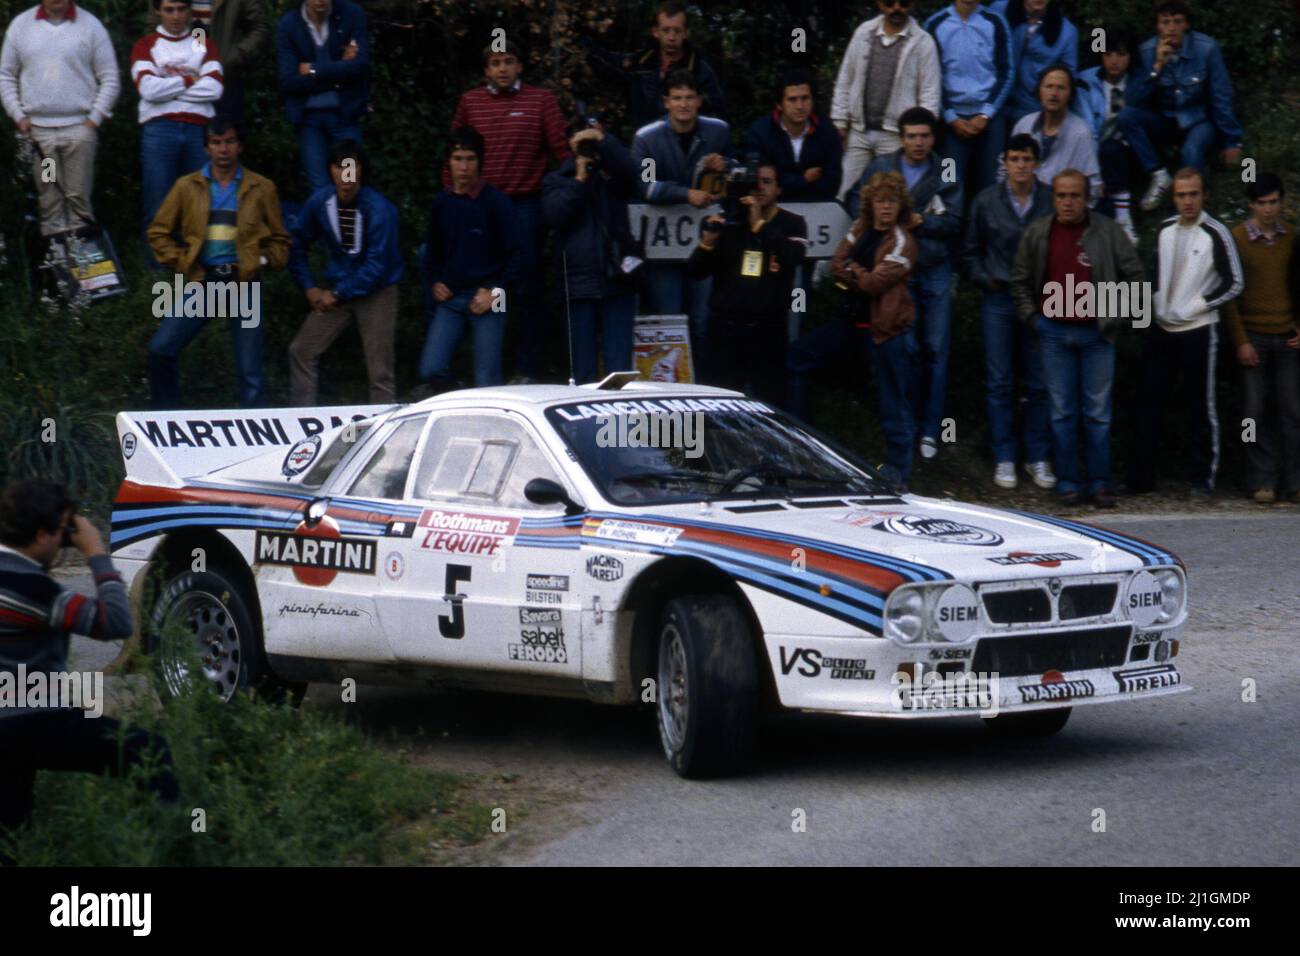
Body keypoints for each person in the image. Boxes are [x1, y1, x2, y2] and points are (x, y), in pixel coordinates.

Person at [0, 480, 179, 860]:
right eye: (66, 530)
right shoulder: (33, 589)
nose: (69, 540)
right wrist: (97, 552)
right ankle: (165, 852)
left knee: (11, 833)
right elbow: (115, 622)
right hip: (31, 721)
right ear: (43, 534)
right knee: (149, 752)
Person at [1011, 169, 1144, 507]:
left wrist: (1113, 315)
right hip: (1053, 332)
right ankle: (1068, 482)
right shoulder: (1039, 232)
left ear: (1087, 198)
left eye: (1074, 196)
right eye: (1061, 195)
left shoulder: (1109, 231)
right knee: (1062, 412)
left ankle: (1100, 483)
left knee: (1098, 413)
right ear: (1053, 197)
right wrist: (1034, 318)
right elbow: (1020, 280)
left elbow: (1135, 274)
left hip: (1096, 334)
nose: (1068, 202)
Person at [146, 117, 291, 409]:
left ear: (240, 146)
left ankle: (256, 439)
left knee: (250, 371)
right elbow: (157, 232)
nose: (223, 149)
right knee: (160, 348)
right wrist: (184, 261)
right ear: (206, 148)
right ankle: (168, 420)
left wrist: (259, 260)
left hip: (244, 283)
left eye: (229, 142)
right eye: (216, 143)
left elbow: (281, 241)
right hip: (205, 280)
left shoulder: (261, 187)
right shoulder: (187, 187)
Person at [788, 172, 919, 490]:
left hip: (885, 330)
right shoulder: (859, 228)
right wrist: (860, 273)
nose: (886, 207)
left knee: (893, 403)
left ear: (900, 205)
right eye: (880, 200)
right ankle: (799, 447)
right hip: (850, 323)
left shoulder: (904, 241)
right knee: (797, 357)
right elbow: (836, 263)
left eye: (892, 201)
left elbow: (876, 283)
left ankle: (899, 474)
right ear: (870, 204)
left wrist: (854, 272)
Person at [449, 40, 569, 383]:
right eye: (495, 62)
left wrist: (566, 186)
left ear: (519, 66)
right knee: (484, 285)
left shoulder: (540, 100)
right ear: (486, 68)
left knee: (526, 286)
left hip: (524, 205)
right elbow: (455, 153)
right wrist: (454, 199)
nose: (502, 68)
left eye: (509, 61)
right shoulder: (470, 102)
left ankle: (528, 370)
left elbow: (561, 152)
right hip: (480, 205)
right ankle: (486, 373)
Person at [851, 107, 962, 463]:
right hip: (897, 270)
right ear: (901, 138)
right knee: (905, 349)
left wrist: (921, 221)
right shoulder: (881, 166)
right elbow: (854, 200)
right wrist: (879, 222)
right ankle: (906, 426)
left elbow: (957, 220)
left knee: (936, 350)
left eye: (925, 136)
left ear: (933, 138)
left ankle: (931, 429)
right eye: (912, 136)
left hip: (935, 268)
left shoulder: (946, 166)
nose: (918, 142)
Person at [1128, 167, 1243, 498]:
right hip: (1163, 329)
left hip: (1198, 329)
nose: (1188, 201)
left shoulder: (1216, 232)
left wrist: (1198, 305)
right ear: (1173, 197)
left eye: (1193, 194)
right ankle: (1140, 479)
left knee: (1200, 405)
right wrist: (1149, 312)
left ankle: (1201, 480)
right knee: (1148, 401)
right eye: (1181, 195)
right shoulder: (1164, 230)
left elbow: (1235, 281)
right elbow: (1151, 277)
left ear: (1204, 195)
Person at [964, 133, 1055, 490]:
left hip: (1037, 299)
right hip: (999, 298)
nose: (1020, 165)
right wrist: (986, 279)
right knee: (1000, 382)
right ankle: (1004, 458)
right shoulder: (986, 201)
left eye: (1026, 159)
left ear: (1036, 162)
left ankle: (1037, 457)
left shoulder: (1049, 198)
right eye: (1014, 159)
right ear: (1004, 162)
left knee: (1039, 381)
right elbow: (969, 251)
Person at [288, 140, 403, 406]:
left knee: (380, 370)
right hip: (337, 287)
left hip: (377, 291)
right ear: (331, 170)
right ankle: (300, 420)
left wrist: (337, 293)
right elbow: (297, 243)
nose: (347, 175)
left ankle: (383, 429)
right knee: (301, 350)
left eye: (353, 167)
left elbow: (377, 265)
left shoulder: (379, 209)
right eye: (341, 167)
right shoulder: (320, 202)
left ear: (361, 171)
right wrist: (309, 287)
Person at [686, 162, 807, 403]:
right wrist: (707, 242)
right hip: (724, 329)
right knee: (719, 406)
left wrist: (759, 225)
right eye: (755, 182)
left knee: (770, 404)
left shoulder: (792, 223)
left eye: (767, 182)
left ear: (779, 189)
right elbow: (696, 272)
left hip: (767, 330)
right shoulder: (730, 220)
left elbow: (793, 256)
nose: (759, 188)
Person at [0, 0, 120, 237]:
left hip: (78, 133)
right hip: (39, 135)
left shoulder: (91, 26)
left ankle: (83, 266)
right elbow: (5, 75)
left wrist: (93, 119)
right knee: (50, 197)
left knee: (78, 199)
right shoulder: (21, 26)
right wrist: (18, 115)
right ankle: (56, 265)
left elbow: (110, 77)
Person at [631, 69, 729, 357]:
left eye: (689, 97)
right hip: (663, 244)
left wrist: (724, 165)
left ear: (699, 101)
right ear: (666, 102)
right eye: (677, 98)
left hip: (704, 240)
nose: (684, 104)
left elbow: (739, 173)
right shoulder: (647, 137)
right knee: (669, 318)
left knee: (702, 318)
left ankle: (704, 385)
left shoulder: (718, 131)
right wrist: (685, 194)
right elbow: (643, 186)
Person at [420, 127, 525, 391]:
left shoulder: (497, 202)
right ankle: (461, 402)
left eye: (470, 159)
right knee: (430, 368)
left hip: (493, 297)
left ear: (480, 162)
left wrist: (495, 292)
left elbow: (521, 255)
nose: (464, 166)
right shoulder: (441, 202)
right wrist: (435, 282)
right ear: (449, 163)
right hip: (452, 297)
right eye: (457, 159)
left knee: (487, 378)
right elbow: (432, 252)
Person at [543, 121, 645, 386]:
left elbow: (634, 172)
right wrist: (579, 179)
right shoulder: (556, 181)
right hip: (578, 284)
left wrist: (603, 138)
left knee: (619, 372)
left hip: (617, 279)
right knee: (582, 372)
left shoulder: (615, 179)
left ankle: (620, 425)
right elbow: (556, 216)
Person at [1118, 0, 1242, 212]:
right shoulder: (1147, 50)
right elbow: (1132, 99)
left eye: (1177, 22)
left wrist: (1231, 140)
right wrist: (1157, 68)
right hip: (1164, 120)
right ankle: (1158, 175)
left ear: (1186, 24)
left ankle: (1191, 207)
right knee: (1127, 116)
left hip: (1198, 120)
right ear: (1158, 25)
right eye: (1166, 22)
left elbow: (1221, 95)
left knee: (1191, 151)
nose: (1172, 28)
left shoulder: (1207, 48)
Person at [1222, 172, 1300, 504]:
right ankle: (1260, 479)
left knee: (1293, 411)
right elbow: (1229, 295)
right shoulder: (1237, 239)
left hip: (1286, 337)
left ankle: (1294, 481)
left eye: (1273, 202)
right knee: (1253, 414)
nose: (1268, 209)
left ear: (1281, 202)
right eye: (1261, 203)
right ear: (1252, 205)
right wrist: (1241, 340)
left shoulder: (1292, 238)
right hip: (1253, 336)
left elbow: (1299, 285)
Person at [829, 0, 941, 203]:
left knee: (893, 196)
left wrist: (919, 136)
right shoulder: (863, 32)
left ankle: (893, 236)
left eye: (904, 3)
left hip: (896, 136)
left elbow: (930, 93)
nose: (896, 8)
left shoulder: (924, 42)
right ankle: (849, 235)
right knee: (843, 192)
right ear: (880, 3)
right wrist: (839, 121)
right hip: (859, 132)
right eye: (890, 2)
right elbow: (845, 78)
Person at [131, 0, 223, 240]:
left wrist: (167, 86)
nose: (176, 16)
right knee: (158, 204)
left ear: (189, 12)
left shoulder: (201, 42)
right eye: (169, 10)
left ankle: (194, 267)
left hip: (198, 130)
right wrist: (190, 79)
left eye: (181, 9)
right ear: (158, 11)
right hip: (159, 129)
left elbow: (214, 88)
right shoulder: (146, 45)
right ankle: (155, 271)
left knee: (198, 203)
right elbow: (148, 90)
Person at [583, 0, 727, 130]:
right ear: (655, 32)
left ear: (686, 33)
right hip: (646, 144)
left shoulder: (700, 69)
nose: (671, 37)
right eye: (666, 30)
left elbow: (717, 115)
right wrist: (583, 45)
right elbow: (609, 63)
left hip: (685, 148)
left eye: (677, 31)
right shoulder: (642, 63)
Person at [275, 0, 370, 194]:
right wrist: (338, 71)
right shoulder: (289, 25)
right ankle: (327, 225)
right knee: (319, 190)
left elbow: (359, 67)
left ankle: (350, 224)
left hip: (345, 117)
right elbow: (288, 81)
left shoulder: (351, 14)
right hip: (309, 121)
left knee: (350, 182)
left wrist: (312, 69)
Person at [924, 0, 1015, 194]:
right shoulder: (936, 24)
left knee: (993, 180)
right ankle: (947, 222)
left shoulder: (996, 22)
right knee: (948, 179)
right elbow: (929, 76)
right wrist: (950, 117)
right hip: (951, 122)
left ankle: (990, 224)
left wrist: (986, 114)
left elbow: (1007, 71)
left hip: (990, 119)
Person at [144, 0, 267, 126]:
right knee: (183, 138)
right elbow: (153, 28)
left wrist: (236, 56)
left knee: (223, 138)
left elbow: (259, 27)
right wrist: (168, 62)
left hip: (225, 78)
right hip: (176, 81)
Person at [1079, 26, 1142, 244]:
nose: (1114, 60)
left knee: (1114, 149)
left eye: (1121, 54)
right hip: (1097, 151)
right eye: (1108, 54)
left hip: (1130, 149)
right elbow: (1089, 129)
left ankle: (1124, 220)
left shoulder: (1138, 82)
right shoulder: (1086, 82)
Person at [744, 68, 842, 203]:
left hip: (816, 205)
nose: (800, 106)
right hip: (772, 208)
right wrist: (803, 180)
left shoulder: (827, 132)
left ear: (813, 101)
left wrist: (786, 183)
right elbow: (761, 183)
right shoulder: (760, 132)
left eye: (805, 98)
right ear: (779, 104)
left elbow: (832, 184)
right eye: (792, 99)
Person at [1006, 64, 1102, 201]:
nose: (1054, 93)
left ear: (1070, 94)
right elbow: (1005, 169)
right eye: (1049, 86)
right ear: (1039, 90)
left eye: (1061, 88)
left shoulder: (1081, 132)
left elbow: (1093, 186)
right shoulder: (1024, 124)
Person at [989, 1, 1079, 128]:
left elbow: (1069, 76)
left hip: (1033, 109)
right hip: (993, 101)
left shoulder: (1067, 32)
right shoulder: (999, 10)